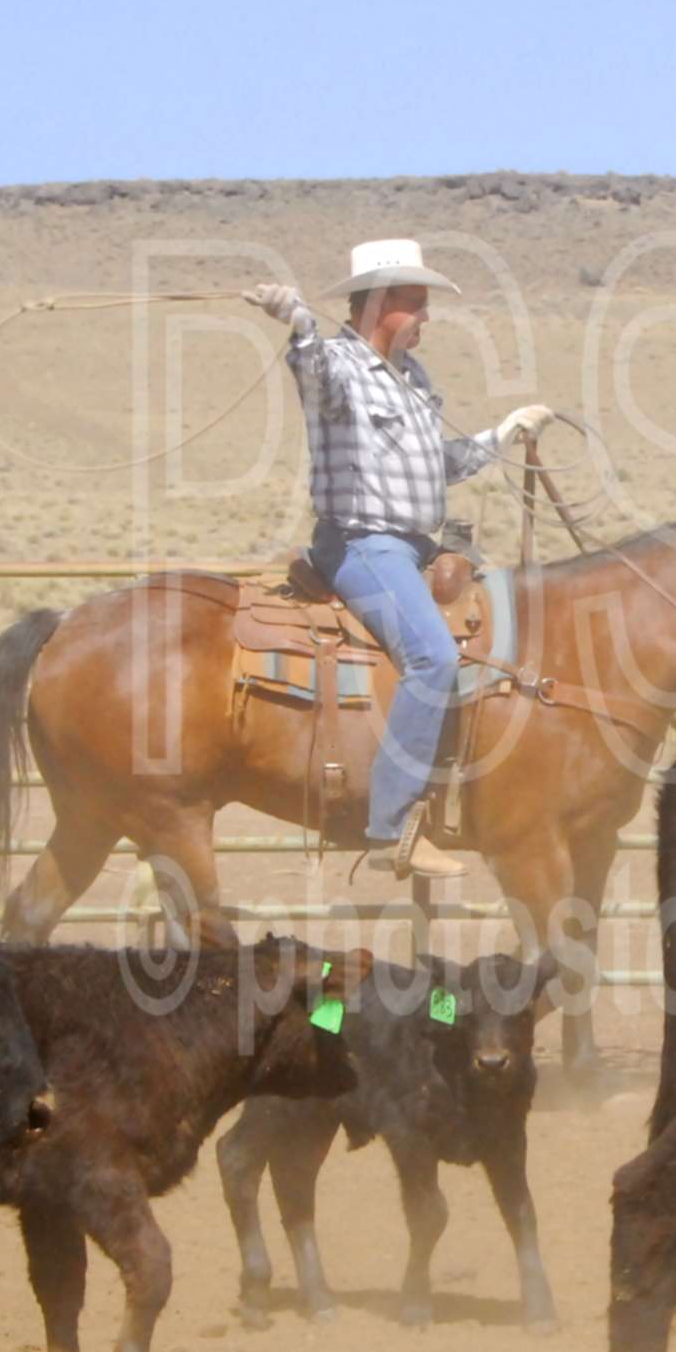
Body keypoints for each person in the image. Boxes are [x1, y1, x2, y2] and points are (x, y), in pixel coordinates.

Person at [245, 241, 551, 878]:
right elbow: (312, 373)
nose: (426, 319)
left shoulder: (414, 378)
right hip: (362, 542)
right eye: (417, 304)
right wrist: (298, 320)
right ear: (381, 303)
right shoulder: (337, 365)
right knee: (432, 656)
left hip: (417, 543)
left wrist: (503, 433)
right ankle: (390, 827)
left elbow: (440, 465)